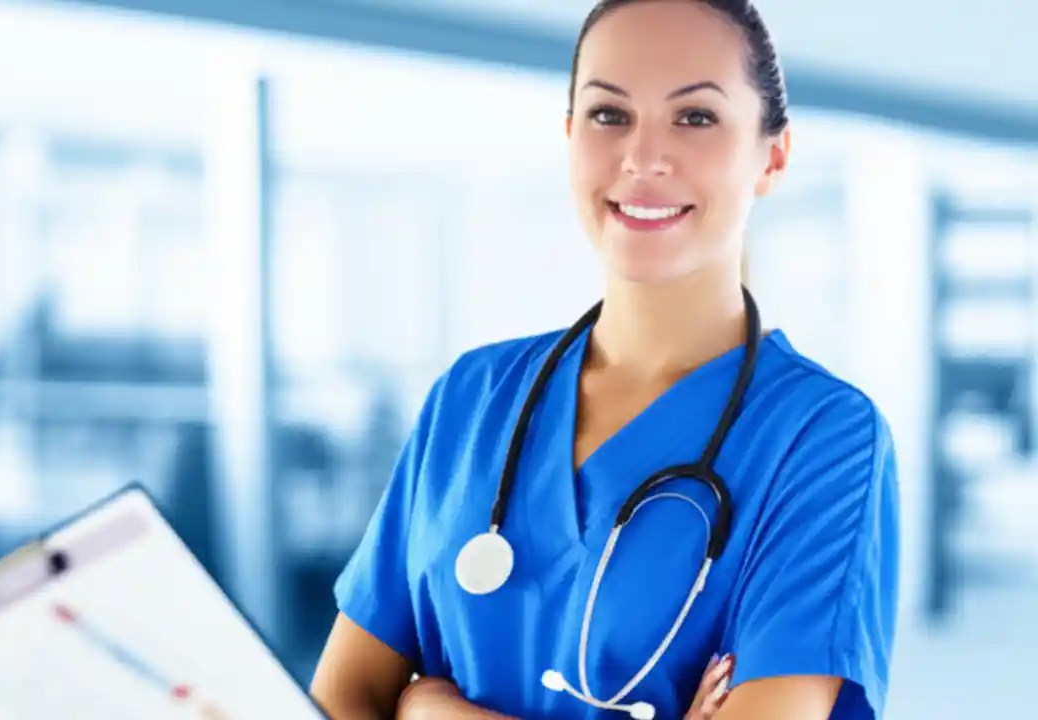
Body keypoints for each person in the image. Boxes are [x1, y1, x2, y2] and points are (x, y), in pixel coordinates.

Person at [310, 0, 899, 718]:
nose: (643, 156)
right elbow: (340, 697)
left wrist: (433, 712)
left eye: (695, 118)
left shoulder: (824, 437)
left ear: (771, 156)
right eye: (608, 114)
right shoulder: (471, 397)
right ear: (569, 137)